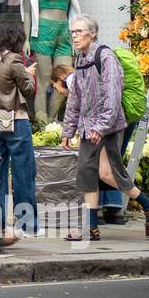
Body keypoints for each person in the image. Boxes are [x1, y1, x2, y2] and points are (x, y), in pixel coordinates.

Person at [60, 14, 149, 241]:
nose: (74, 36)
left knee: (108, 173)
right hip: (88, 128)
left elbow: (113, 96)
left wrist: (102, 126)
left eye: (79, 31)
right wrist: (68, 130)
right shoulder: (80, 59)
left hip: (108, 126)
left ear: (92, 33)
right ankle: (91, 228)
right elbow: (75, 98)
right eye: (72, 32)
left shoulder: (105, 57)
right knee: (87, 174)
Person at [0, 20, 37, 239]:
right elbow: (28, 90)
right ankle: (27, 225)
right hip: (16, 121)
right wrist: (29, 73)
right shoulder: (13, 59)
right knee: (24, 173)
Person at [51, 63, 126, 225]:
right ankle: (92, 224)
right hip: (105, 125)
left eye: (55, 86)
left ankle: (143, 200)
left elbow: (79, 108)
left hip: (98, 129)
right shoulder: (82, 75)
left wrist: (73, 134)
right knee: (99, 172)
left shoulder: (71, 80)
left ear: (60, 79)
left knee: (101, 173)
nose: (58, 91)